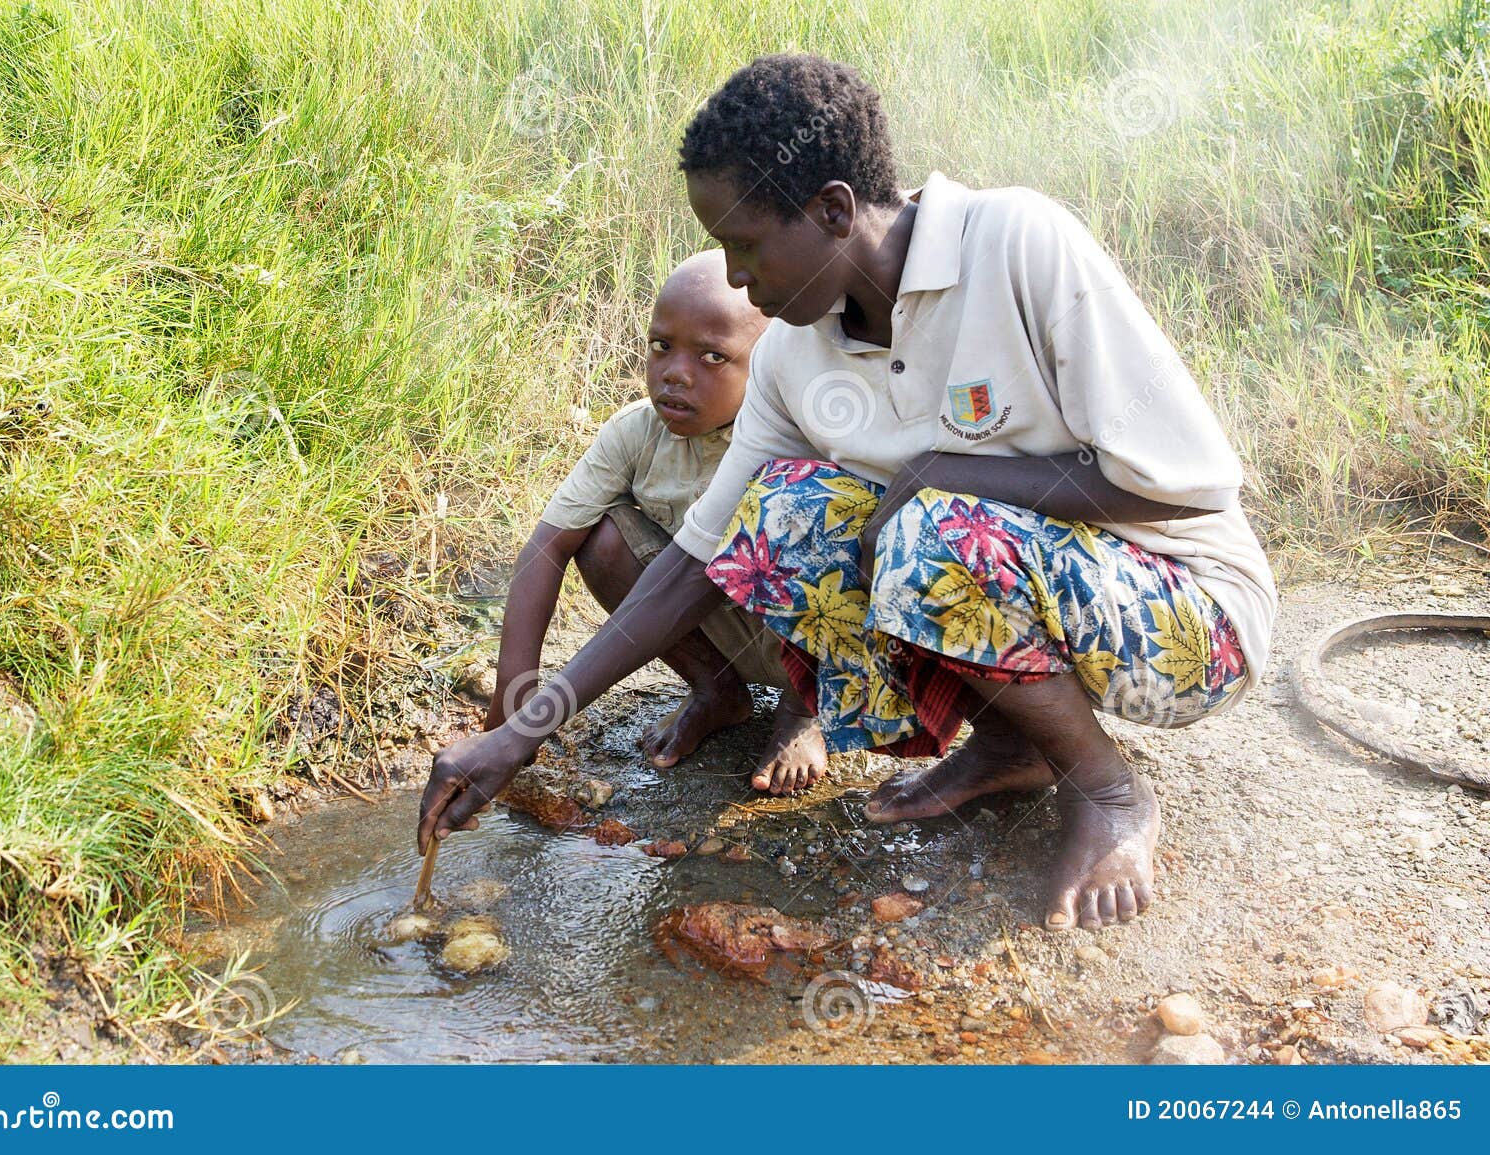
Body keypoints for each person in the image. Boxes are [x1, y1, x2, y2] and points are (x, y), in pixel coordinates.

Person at [419, 54, 1278, 933]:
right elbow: (696, 558)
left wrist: (947, 474)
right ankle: (1019, 741)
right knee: (788, 510)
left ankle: (1110, 790)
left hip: (1186, 620)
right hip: (1025, 587)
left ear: (833, 209)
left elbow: (1185, 487)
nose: (737, 276)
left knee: (927, 526)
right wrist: (518, 732)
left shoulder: (1018, 244)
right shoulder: (797, 353)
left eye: (745, 244)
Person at [486, 250, 827, 796]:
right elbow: (548, 546)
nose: (674, 374)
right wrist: (513, 693)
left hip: (802, 638)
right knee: (601, 538)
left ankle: (801, 715)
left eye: (713, 357)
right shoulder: (637, 434)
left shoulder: (800, 438)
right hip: (710, 620)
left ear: (768, 365)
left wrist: (800, 708)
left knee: (820, 522)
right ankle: (716, 692)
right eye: (661, 347)